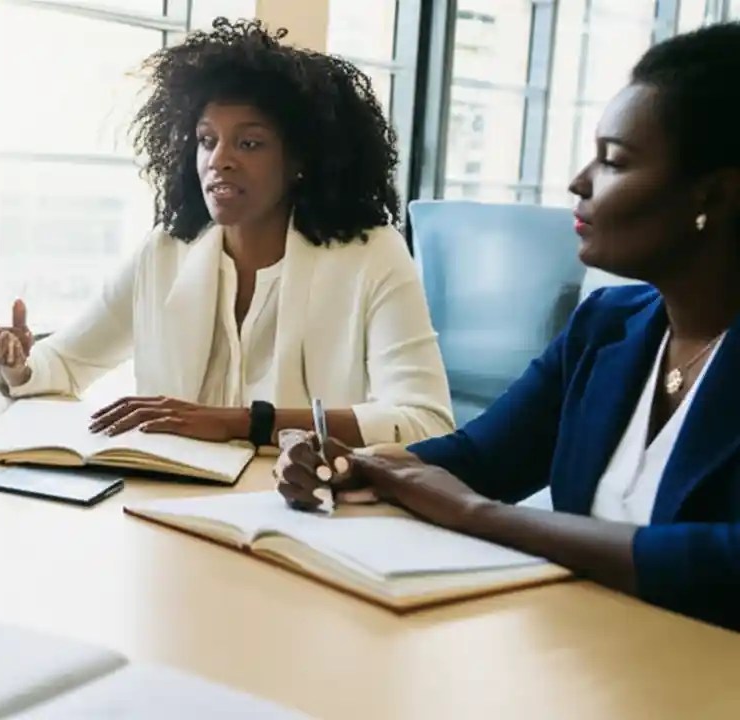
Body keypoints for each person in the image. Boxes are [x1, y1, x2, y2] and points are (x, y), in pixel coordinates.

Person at [276, 23, 740, 631]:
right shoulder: (606, 328)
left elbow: (723, 564)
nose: (579, 182)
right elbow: (480, 457)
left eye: (614, 160)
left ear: (714, 193)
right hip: (583, 662)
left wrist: (476, 514)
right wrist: (360, 464)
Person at [0, 19, 453, 449]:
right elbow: (63, 364)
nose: (219, 159)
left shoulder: (371, 253)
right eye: (207, 140)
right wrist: (20, 363)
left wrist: (243, 422)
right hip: (176, 498)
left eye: (249, 143)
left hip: (305, 505)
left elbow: (424, 421)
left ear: (302, 160)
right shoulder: (167, 251)